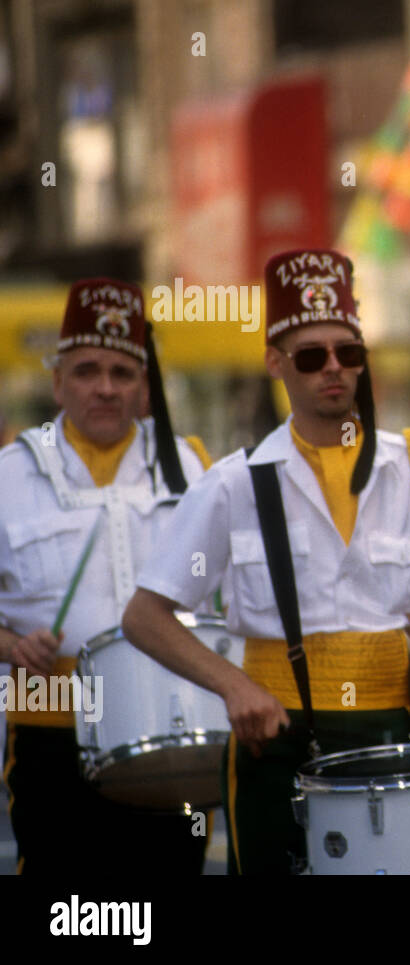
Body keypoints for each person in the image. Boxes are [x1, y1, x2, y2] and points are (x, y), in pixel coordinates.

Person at [122, 249, 410, 875]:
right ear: (275, 363)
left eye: (348, 352)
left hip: (390, 733)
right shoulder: (235, 484)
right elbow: (146, 616)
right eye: (311, 356)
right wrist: (234, 686)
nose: (333, 369)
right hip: (275, 738)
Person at [0, 278, 211, 875]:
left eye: (123, 373)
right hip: (50, 723)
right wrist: (11, 645)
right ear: (57, 381)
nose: (105, 388)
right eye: (88, 370)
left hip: (171, 725)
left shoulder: (191, 466)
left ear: (146, 388)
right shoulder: (10, 476)